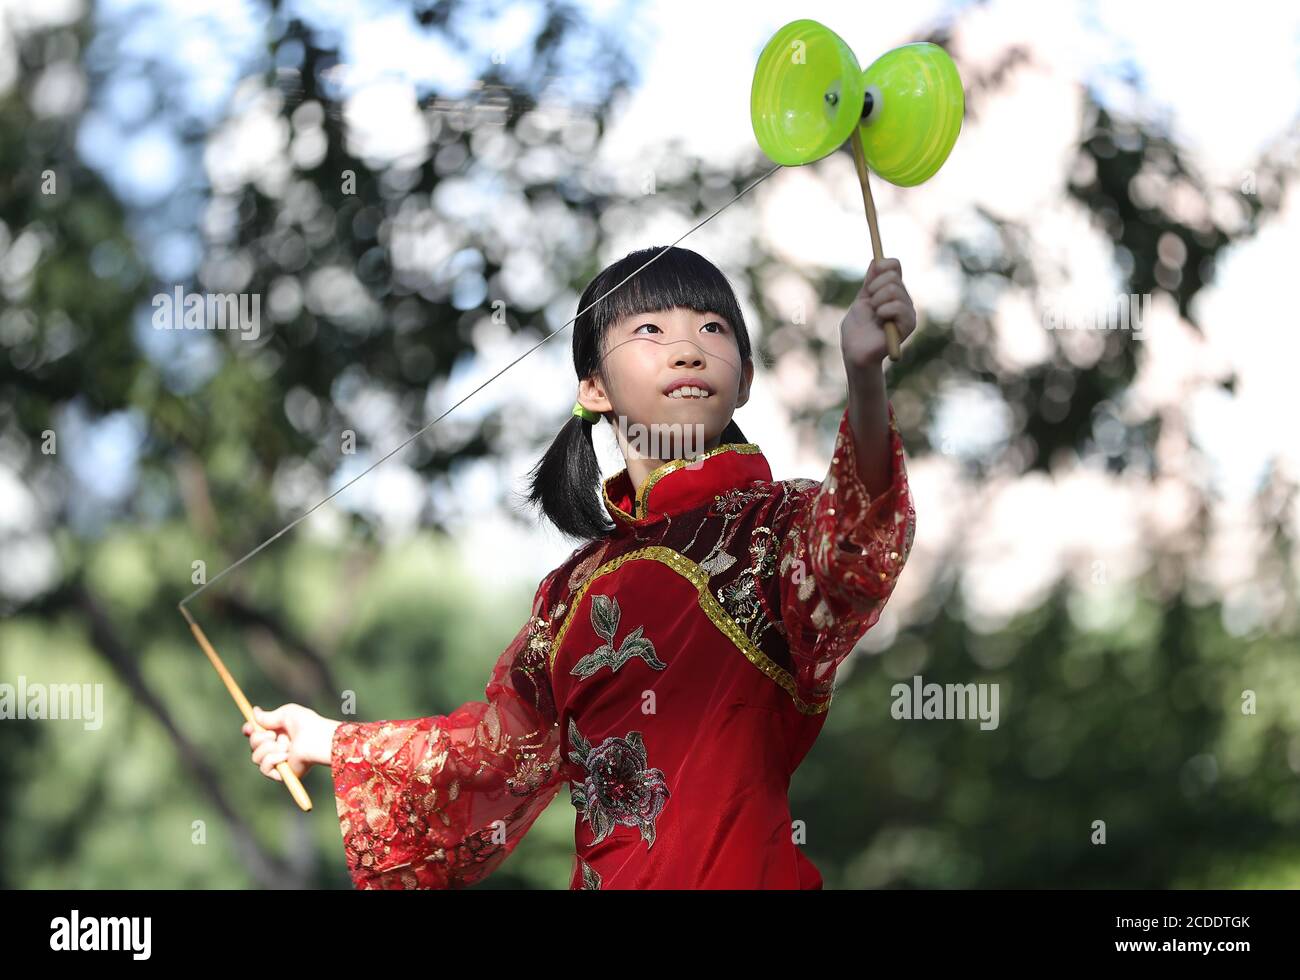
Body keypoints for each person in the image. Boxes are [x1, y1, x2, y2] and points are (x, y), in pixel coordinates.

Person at [244, 245, 918, 889]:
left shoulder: (774, 529)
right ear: (594, 387)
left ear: (742, 380)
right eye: (650, 327)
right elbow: (490, 755)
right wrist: (325, 737)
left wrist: (863, 376)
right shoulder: (570, 595)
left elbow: (854, 546)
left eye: (713, 327)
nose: (689, 346)